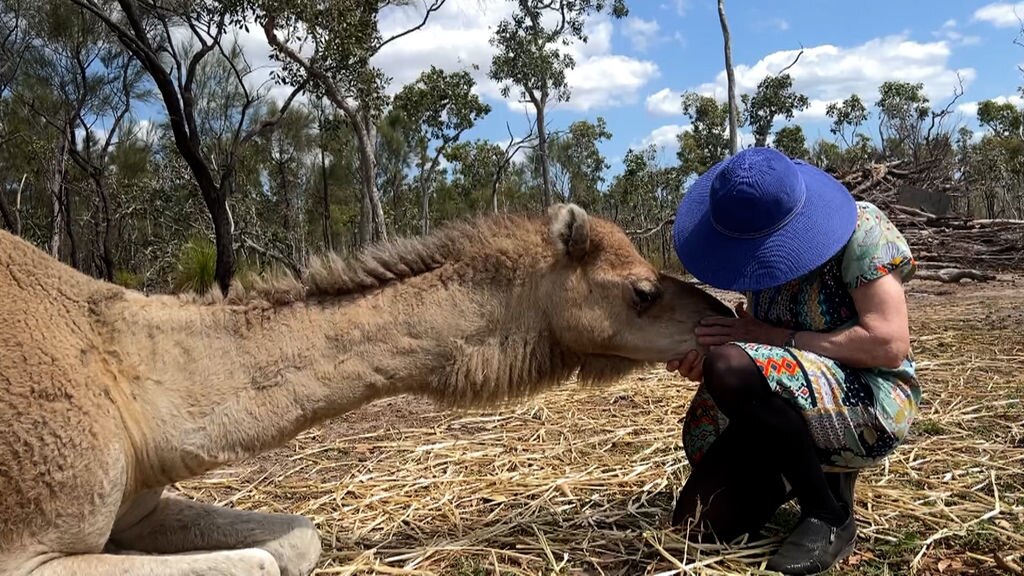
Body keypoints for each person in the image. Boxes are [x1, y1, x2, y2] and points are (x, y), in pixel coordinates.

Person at [665, 147, 921, 575]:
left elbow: (888, 343)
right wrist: (708, 365)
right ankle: (812, 468)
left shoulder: (865, 229)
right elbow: (761, 362)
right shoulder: (753, 253)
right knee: (697, 527)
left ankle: (828, 513)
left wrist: (765, 344)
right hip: (797, 391)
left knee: (729, 367)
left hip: (868, 396)